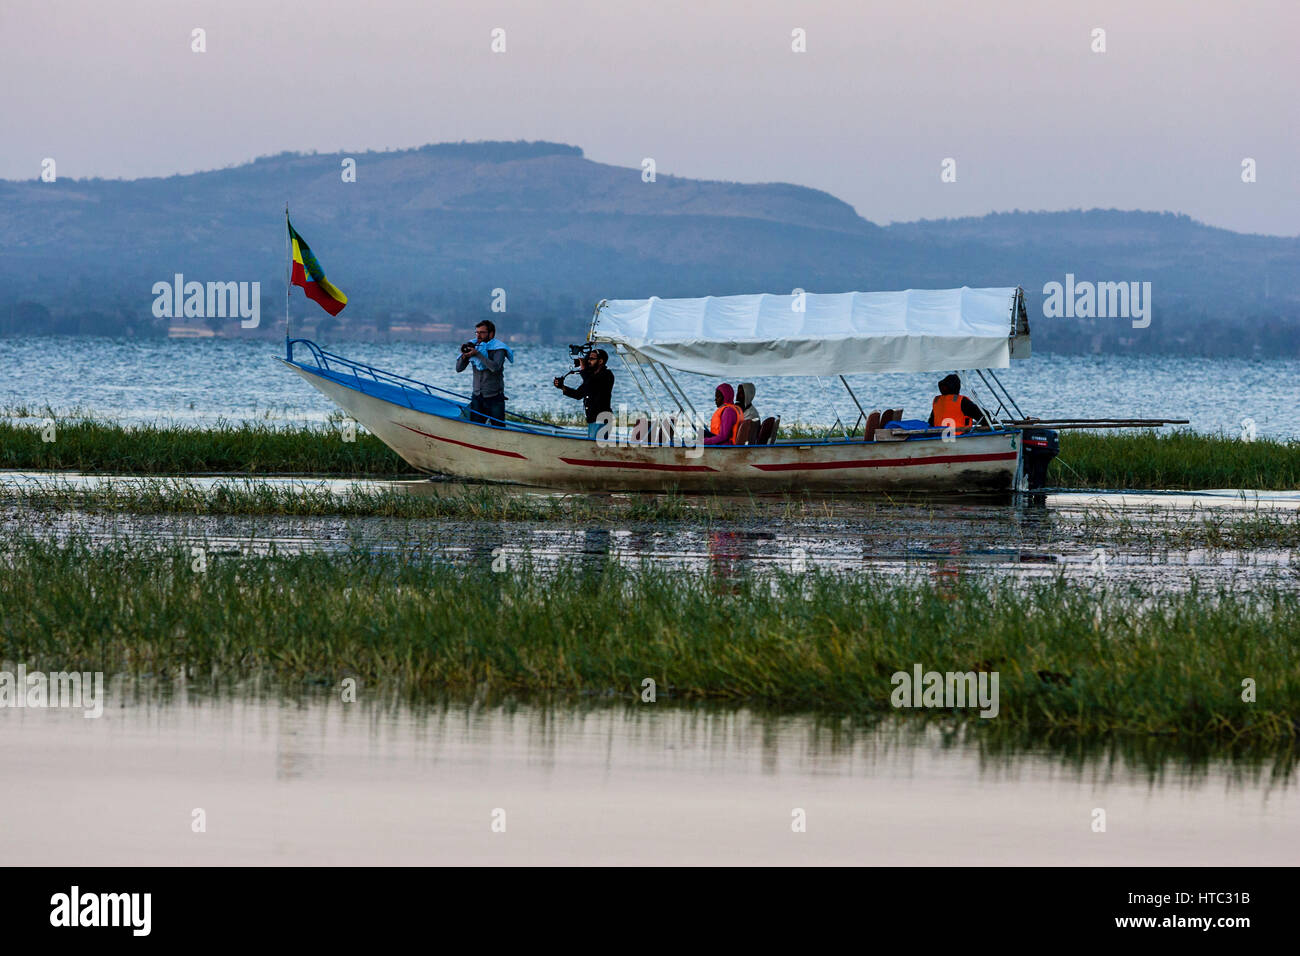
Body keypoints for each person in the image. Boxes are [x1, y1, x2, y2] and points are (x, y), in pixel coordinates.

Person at [455, 320, 513, 427]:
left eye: (482, 332)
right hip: (477, 397)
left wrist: (478, 354)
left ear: (491, 334)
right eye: (477, 332)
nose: (478, 335)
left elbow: (495, 368)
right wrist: (464, 357)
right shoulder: (474, 345)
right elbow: (458, 369)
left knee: (498, 430)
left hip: (494, 398)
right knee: (476, 429)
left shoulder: (499, 349)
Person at [553, 348, 614, 439]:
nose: (588, 361)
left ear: (600, 361)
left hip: (602, 419)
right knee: (593, 447)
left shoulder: (606, 375)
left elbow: (591, 382)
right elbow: (578, 394)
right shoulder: (591, 377)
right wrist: (562, 387)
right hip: (593, 419)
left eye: (592, 359)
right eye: (588, 359)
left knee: (596, 448)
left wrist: (583, 368)